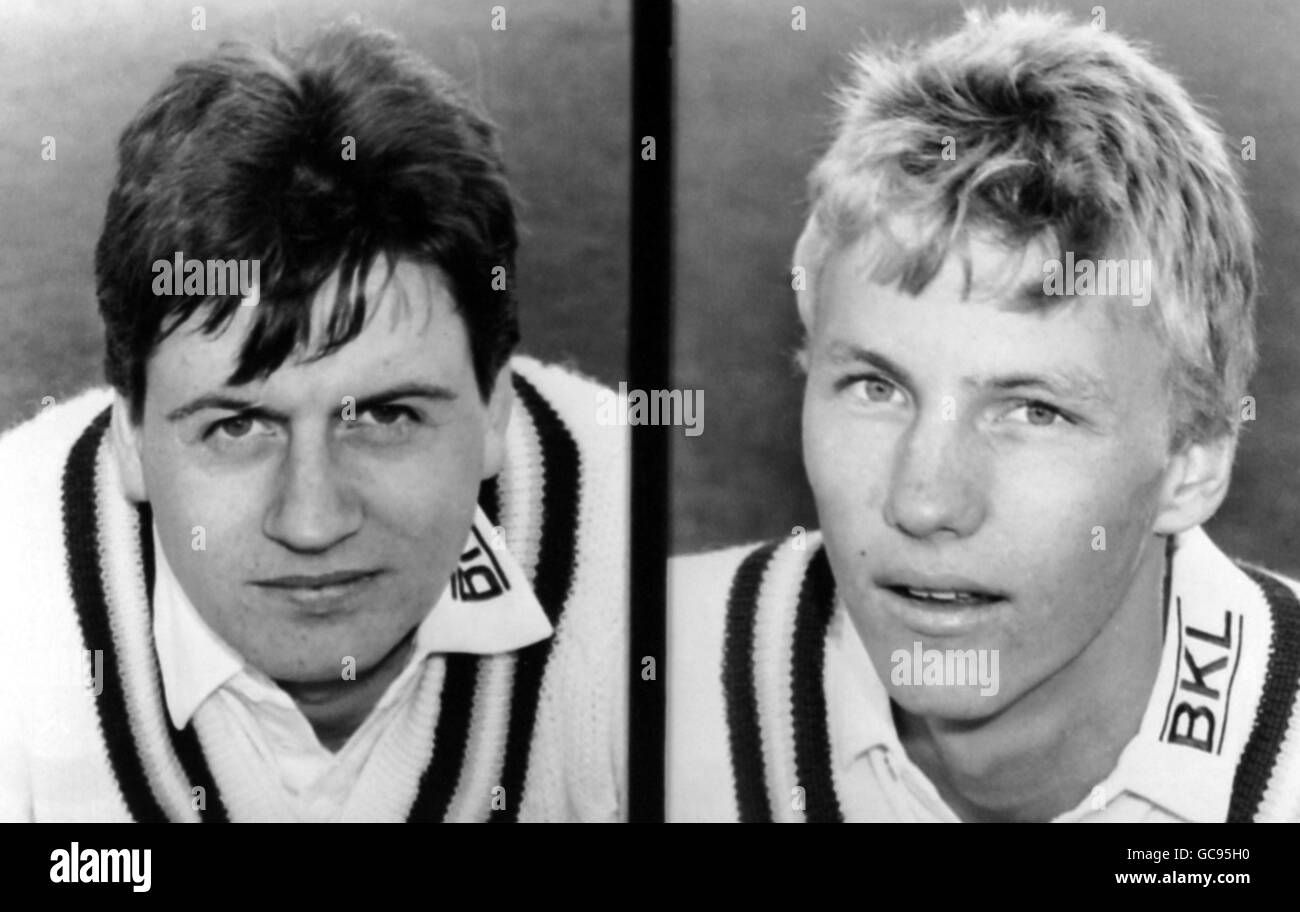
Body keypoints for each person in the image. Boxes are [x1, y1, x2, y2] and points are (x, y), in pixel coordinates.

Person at [668, 8, 1300, 822]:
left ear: (1194, 461)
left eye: (1033, 410)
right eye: (876, 388)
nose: (924, 501)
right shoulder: (628, 686)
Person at [0, 22, 627, 822]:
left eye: (388, 416)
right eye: (236, 427)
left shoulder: (636, 557)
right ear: (127, 432)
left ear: (495, 407)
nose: (313, 520)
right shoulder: (15, 599)